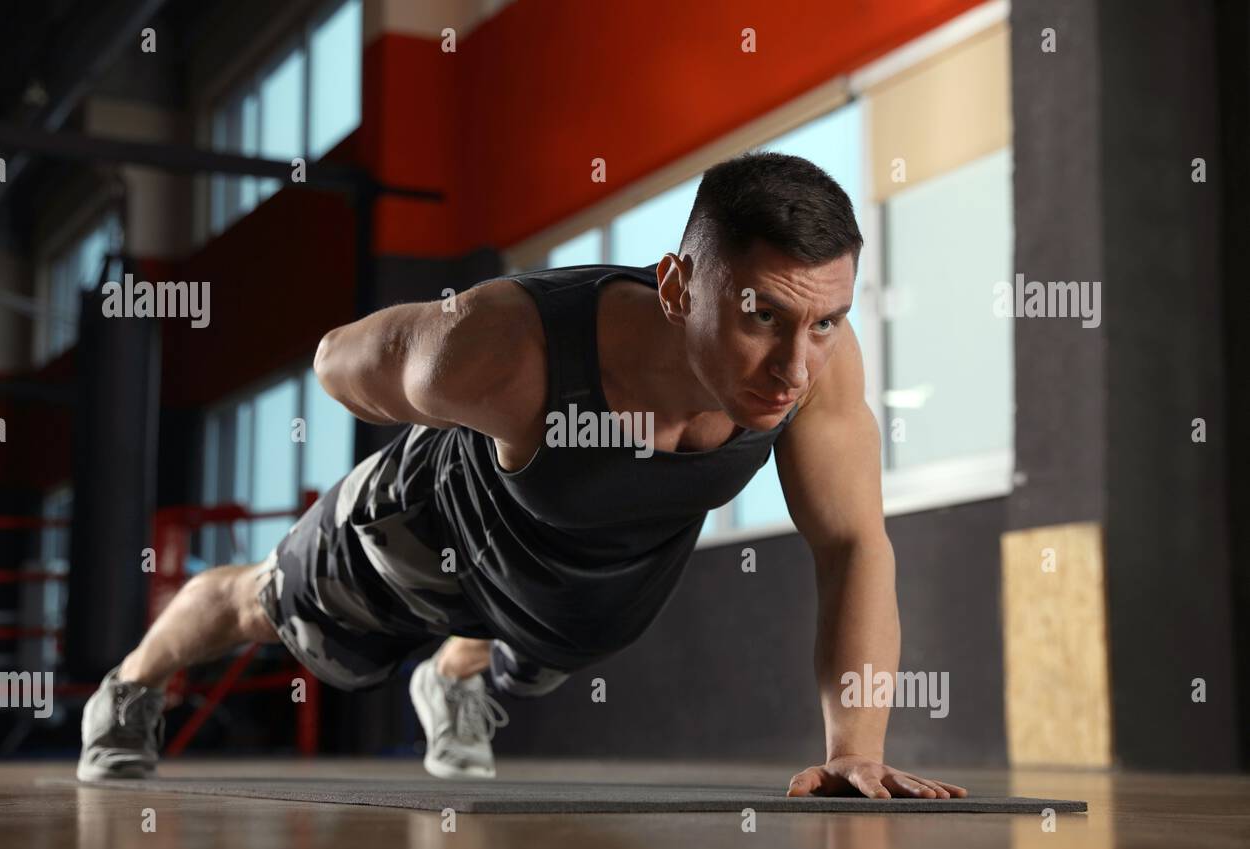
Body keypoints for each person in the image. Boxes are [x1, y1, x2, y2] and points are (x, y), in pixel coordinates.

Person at [78, 151, 966, 801]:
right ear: (674, 287)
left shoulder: (817, 364)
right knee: (278, 613)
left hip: (577, 588)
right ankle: (128, 691)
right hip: (433, 525)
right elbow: (332, 361)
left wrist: (857, 747)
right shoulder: (506, 351)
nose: (794, 368)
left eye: (823, 324)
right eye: (762, 316)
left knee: (569, 636)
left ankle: (455, 674)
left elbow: (852, 545)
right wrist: (428, 362)